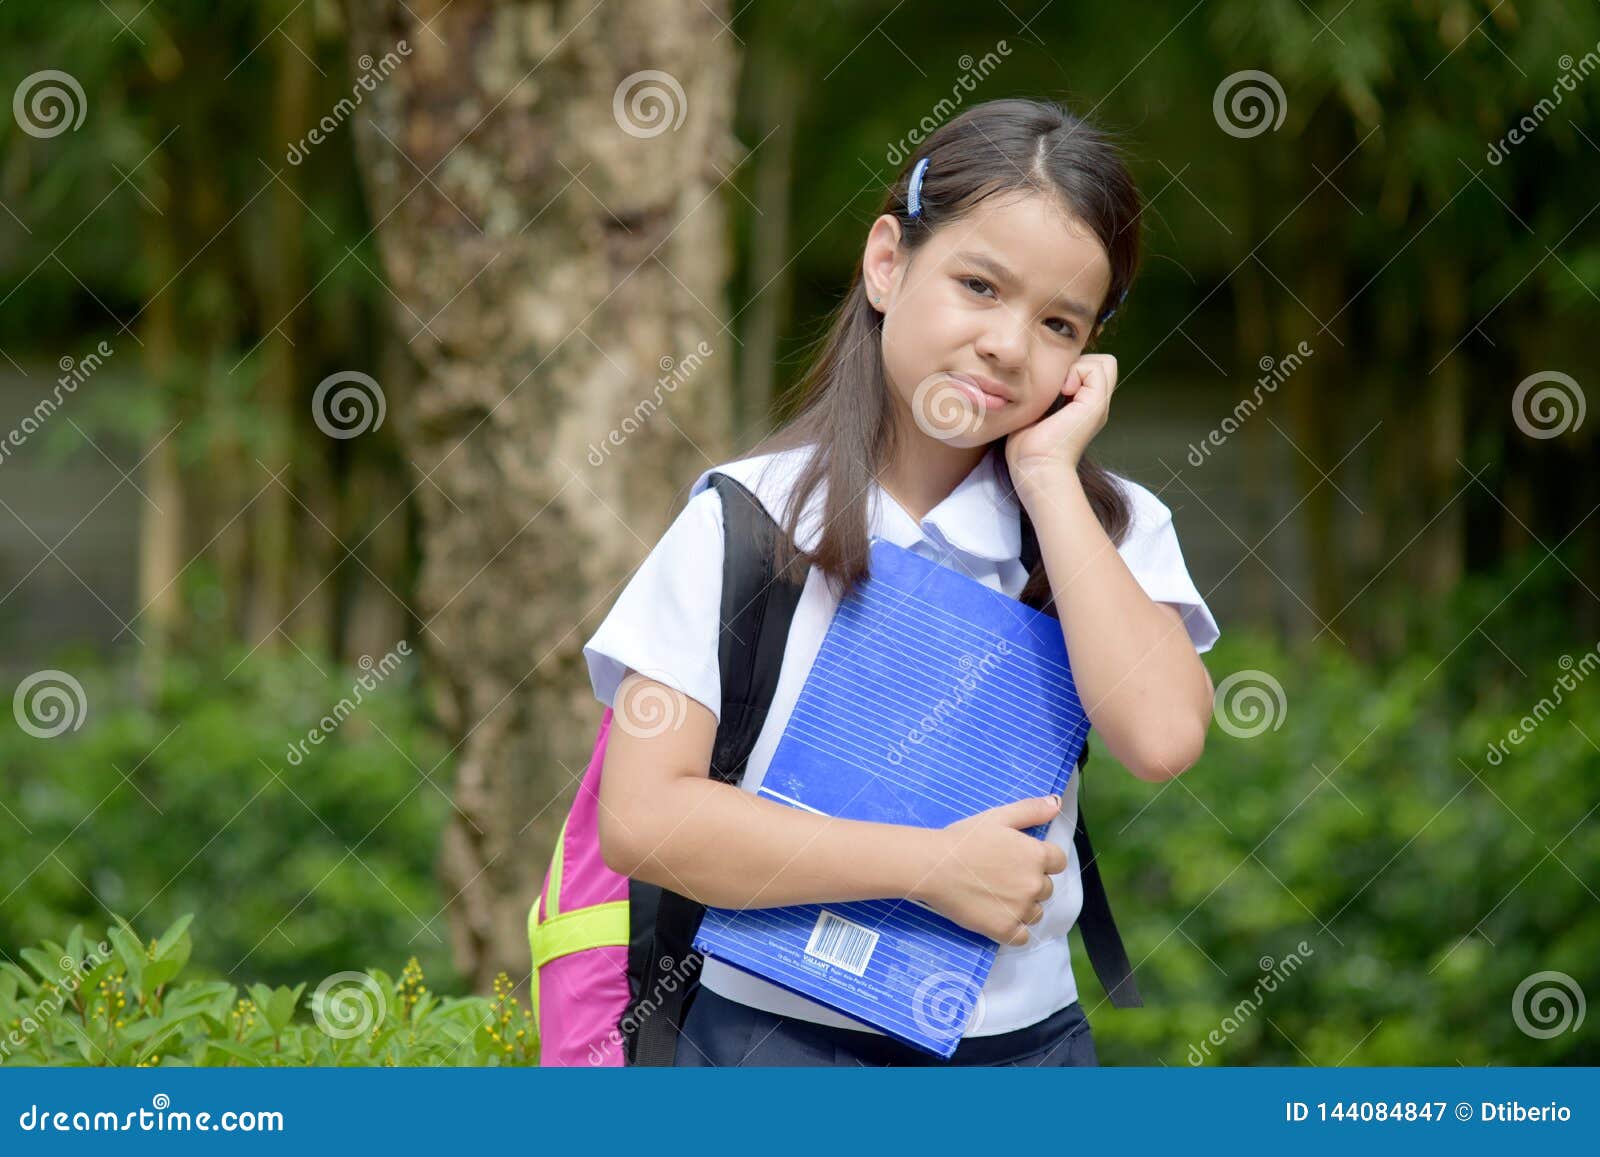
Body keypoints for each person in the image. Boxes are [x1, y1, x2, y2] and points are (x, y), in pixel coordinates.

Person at [584, 97, 1220, 1067]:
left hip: (1024, 1053)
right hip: (767, 1047)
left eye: (1057, 321)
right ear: (887, 262)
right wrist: (929, 867)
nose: (1008, 344)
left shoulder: (1101, 527)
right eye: (978, 284)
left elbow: (1163, 738)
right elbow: (642, 817)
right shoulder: (745, 521)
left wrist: (1048, 480)